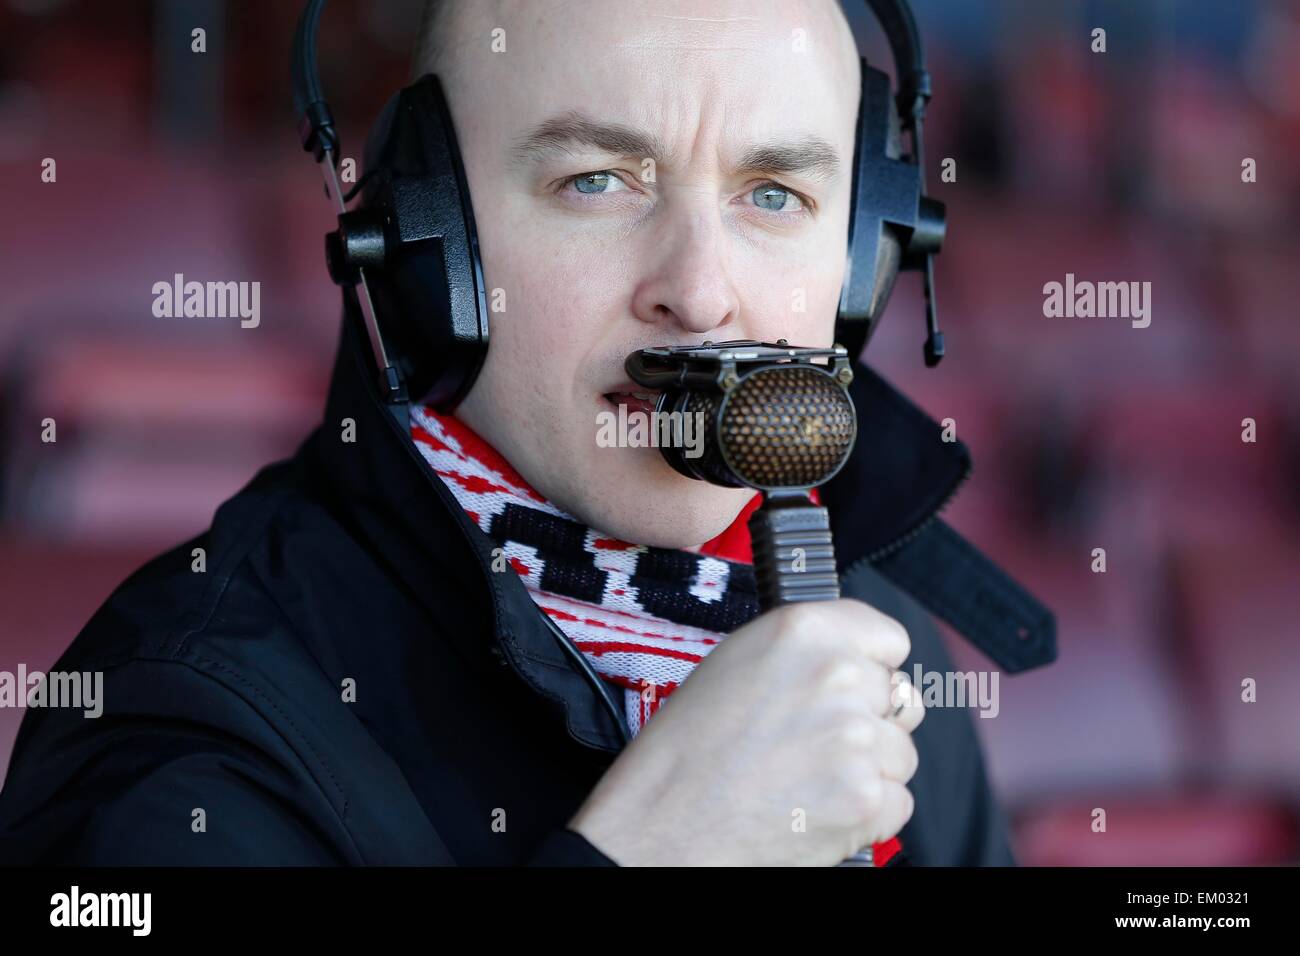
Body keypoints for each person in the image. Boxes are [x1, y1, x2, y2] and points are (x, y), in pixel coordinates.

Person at [0, 0, 1051, 866]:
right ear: (424, 245)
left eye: (773, 194)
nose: (697, 292)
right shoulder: (189, 721)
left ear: (863, 264)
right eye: (596, 182)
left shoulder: (866, 639)